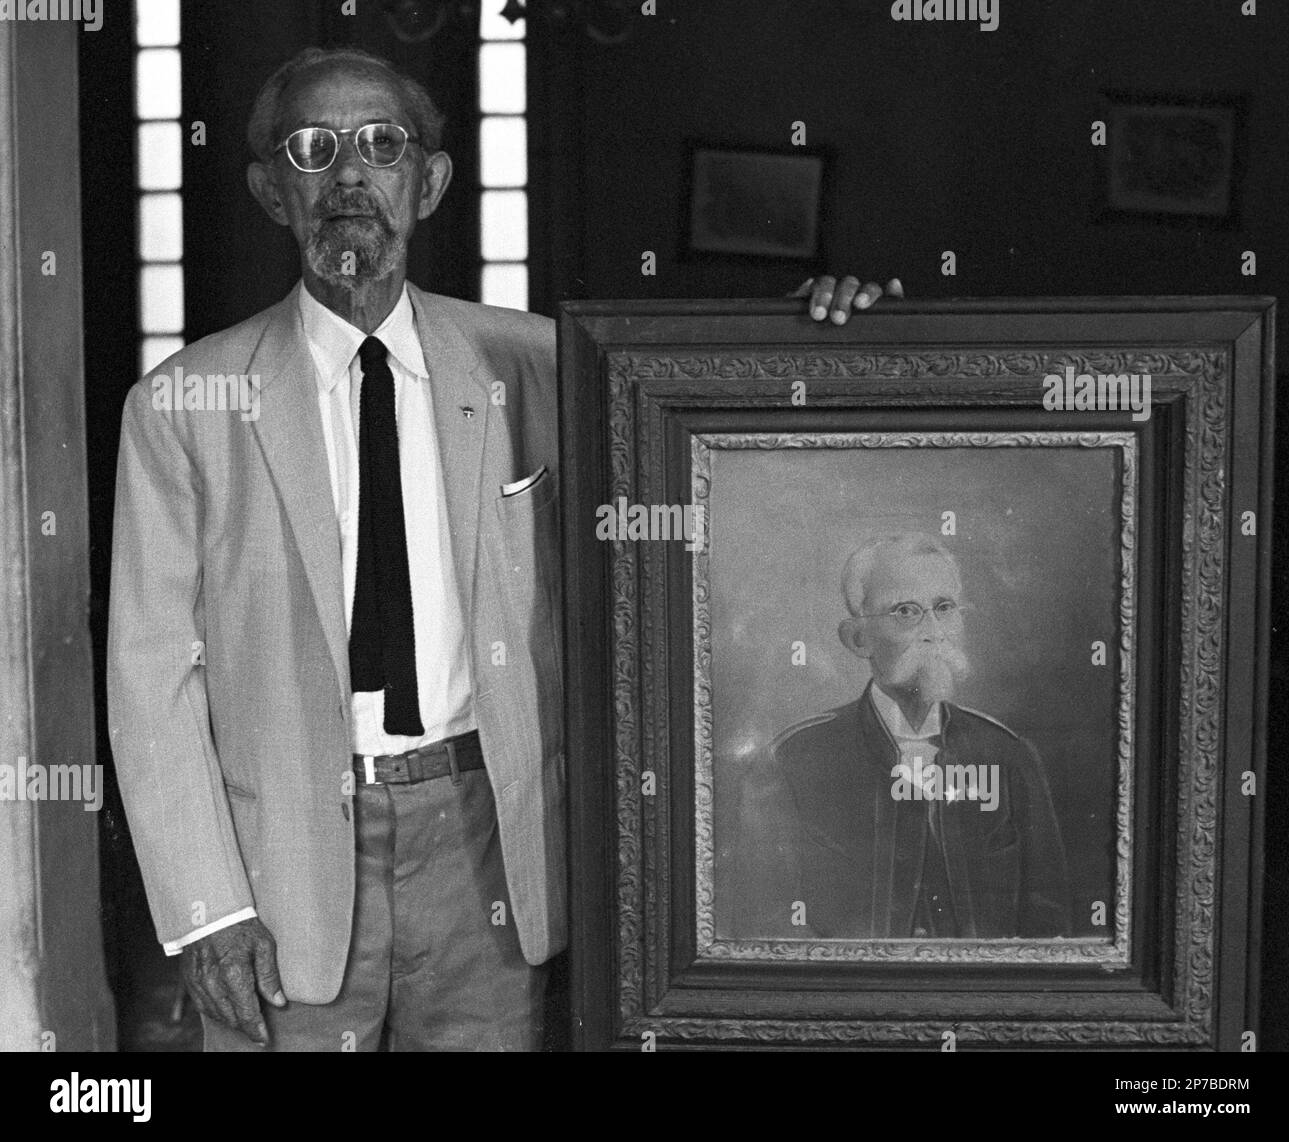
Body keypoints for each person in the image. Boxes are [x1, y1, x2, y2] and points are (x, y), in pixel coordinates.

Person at [107, 45, 899, 1051]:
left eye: (382, 145)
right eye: (314, 148)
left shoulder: (540, 364)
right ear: (272, 190)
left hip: (485, 840)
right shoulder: (182, 407)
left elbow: (706, 436)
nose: (350, 173)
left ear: (427, 181)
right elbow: (149, 680)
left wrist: (829, 340)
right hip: (282, 856)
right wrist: (208, 907)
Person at [742, 532, 1071, 940]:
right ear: (857, 639)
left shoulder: (1008, 756)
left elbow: (1047, 926)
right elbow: (767, 925)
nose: (934, 631)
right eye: (905, 611)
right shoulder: (794, 762)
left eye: (945, 608)